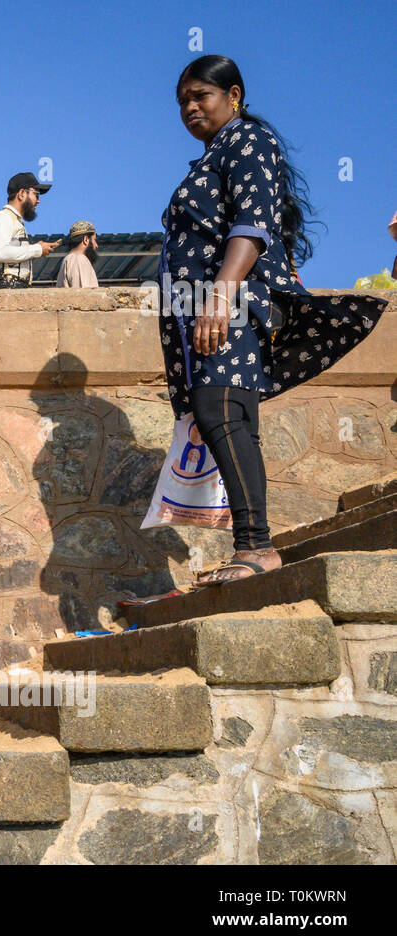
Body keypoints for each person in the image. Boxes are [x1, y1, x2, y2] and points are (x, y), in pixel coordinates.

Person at [159, 54, 386, 585]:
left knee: (222, 411)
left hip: (228, 301)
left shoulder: (248, 142)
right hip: (206, 305)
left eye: (201, 96)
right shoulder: (213, 155)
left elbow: (253, 224)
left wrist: (220, 297)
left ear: (234, 95)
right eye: (183, 102)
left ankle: (257, 547)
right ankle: (251, 544)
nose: (191, 108)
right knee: (224, 413)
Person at [0, 172, 60, 288]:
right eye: (36, 194)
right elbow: (0, 253)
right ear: (21, 194)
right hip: (5, 288)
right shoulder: (4, 217)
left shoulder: (13, 220)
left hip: (11, 288)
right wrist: (37, 249)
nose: (38, 200)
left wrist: (38, 247)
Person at [55, 220, 99, 288]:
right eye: (94, 240)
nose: (96, 245)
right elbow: (83, 294)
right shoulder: (78, 259)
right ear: (86, 240)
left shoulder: (71, 259)